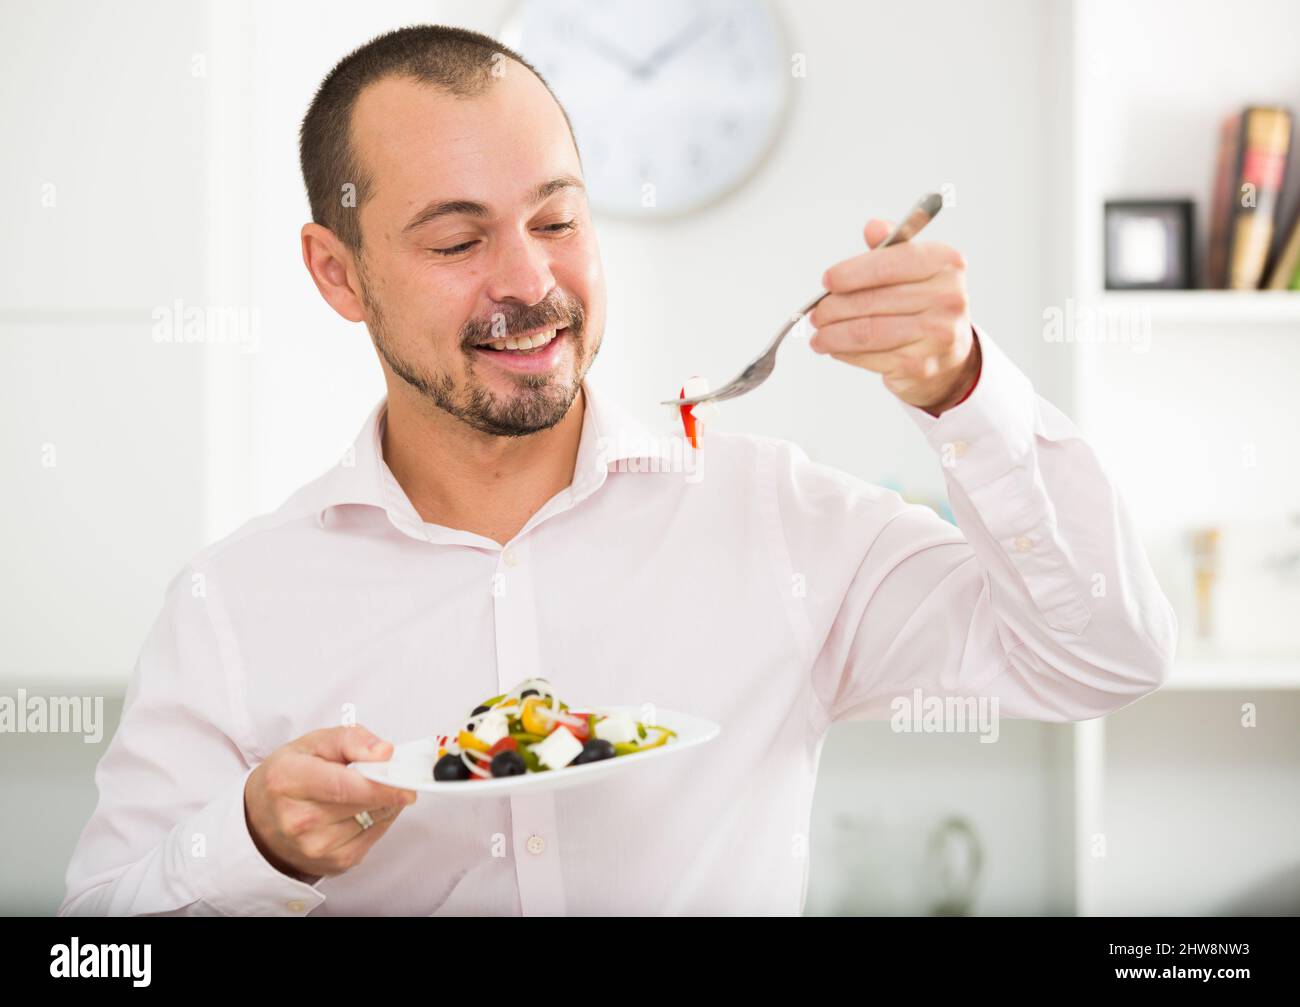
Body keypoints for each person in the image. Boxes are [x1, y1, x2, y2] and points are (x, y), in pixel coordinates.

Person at [60, 24, 1175, 916]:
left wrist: (961, 391)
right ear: (338, 273)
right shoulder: (232, 605)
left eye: (557, 218)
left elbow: (1101, 656)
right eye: (456, 243)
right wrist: (251, 844)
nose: (529, 280)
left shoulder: (776, 519)